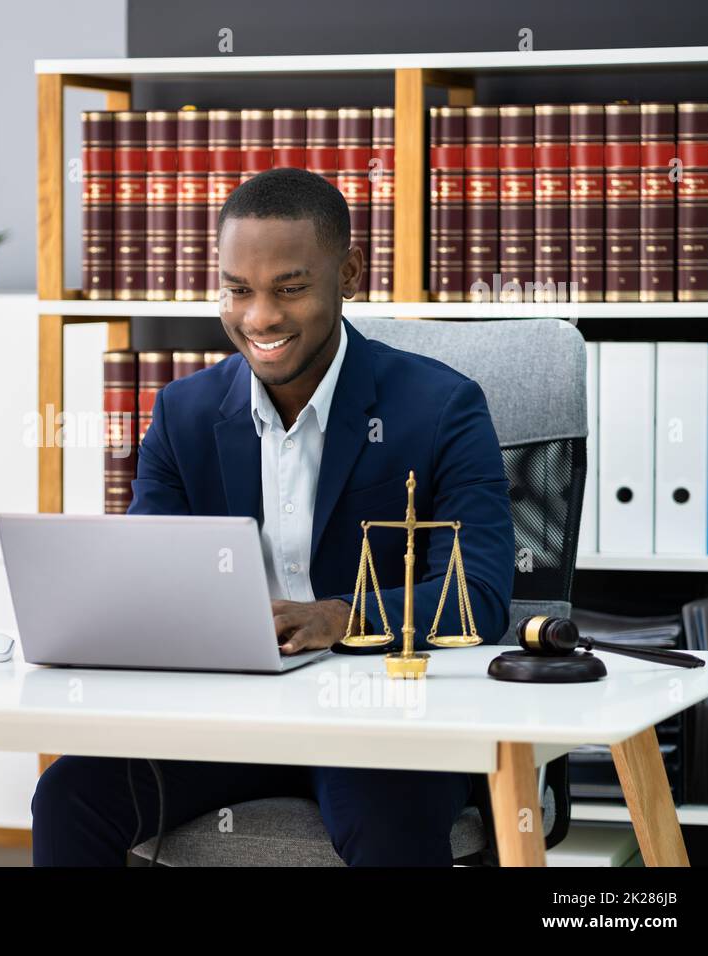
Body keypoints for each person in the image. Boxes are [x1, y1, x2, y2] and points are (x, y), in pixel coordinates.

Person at [32, 167, 515, 866]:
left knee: (387, 820)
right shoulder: (184, 414)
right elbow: (147, 583)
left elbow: (482, 597)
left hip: (381, 720)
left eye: (290, 288)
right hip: (227, 723)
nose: (260, 318)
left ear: (350, 272)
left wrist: (342, 617)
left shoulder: (442, 408)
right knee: (68, 795)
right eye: (237, 289)